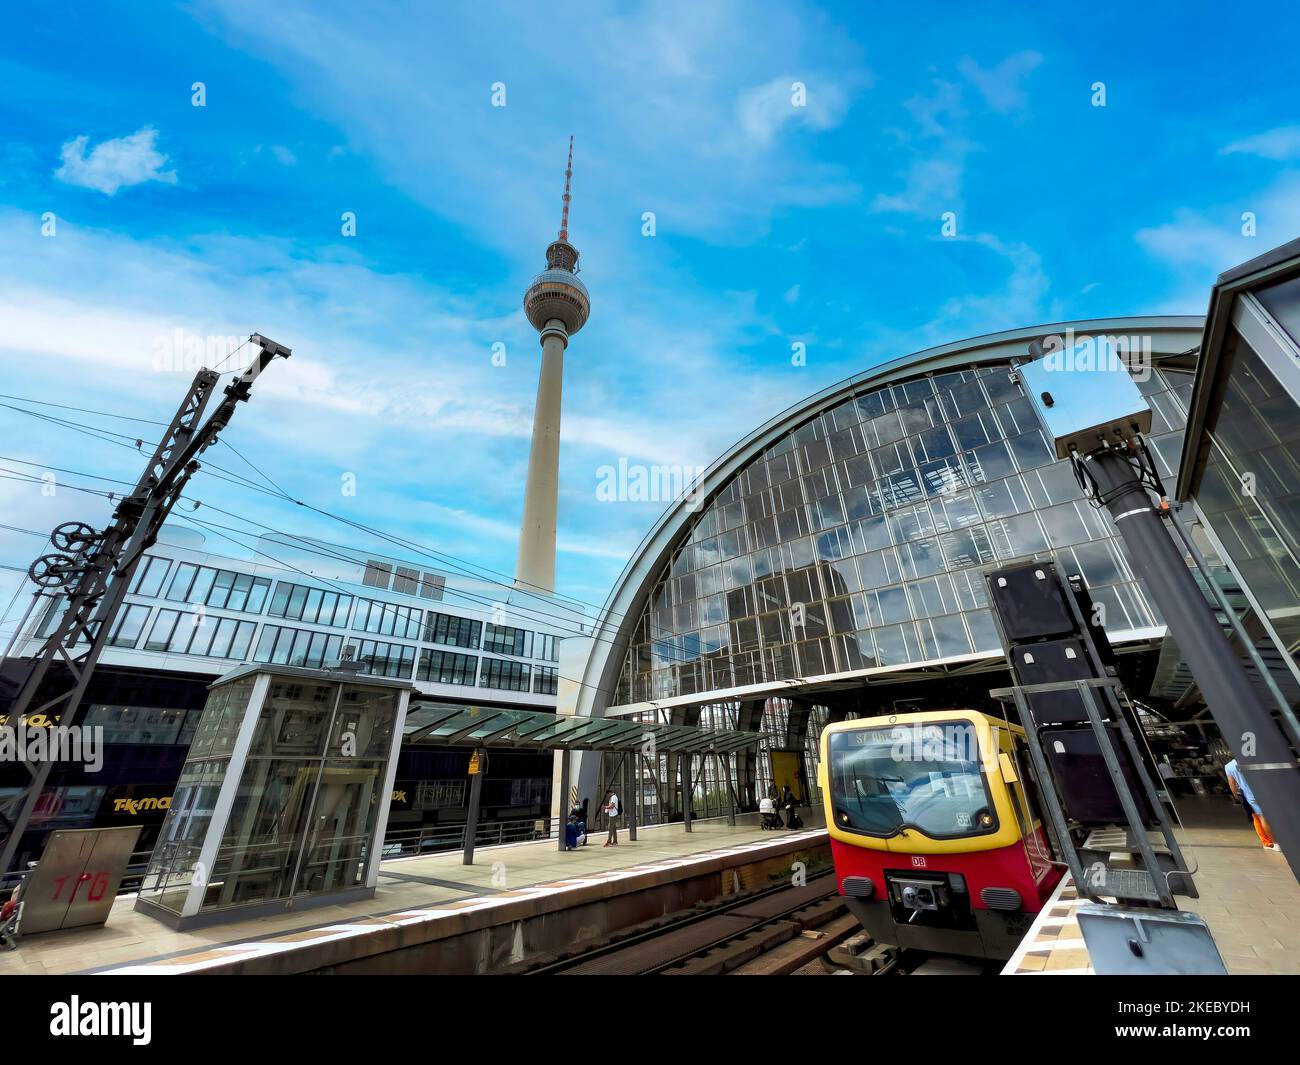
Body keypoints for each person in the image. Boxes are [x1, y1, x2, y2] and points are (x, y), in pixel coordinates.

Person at [1225, 758, 1280, 851]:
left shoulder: (1228, 766)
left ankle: (1275, 844)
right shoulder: (1252, 760)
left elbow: (1231, 783)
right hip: (1265, 792)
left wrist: (1235, 796)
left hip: (1250, 795)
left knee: (1261, 817)